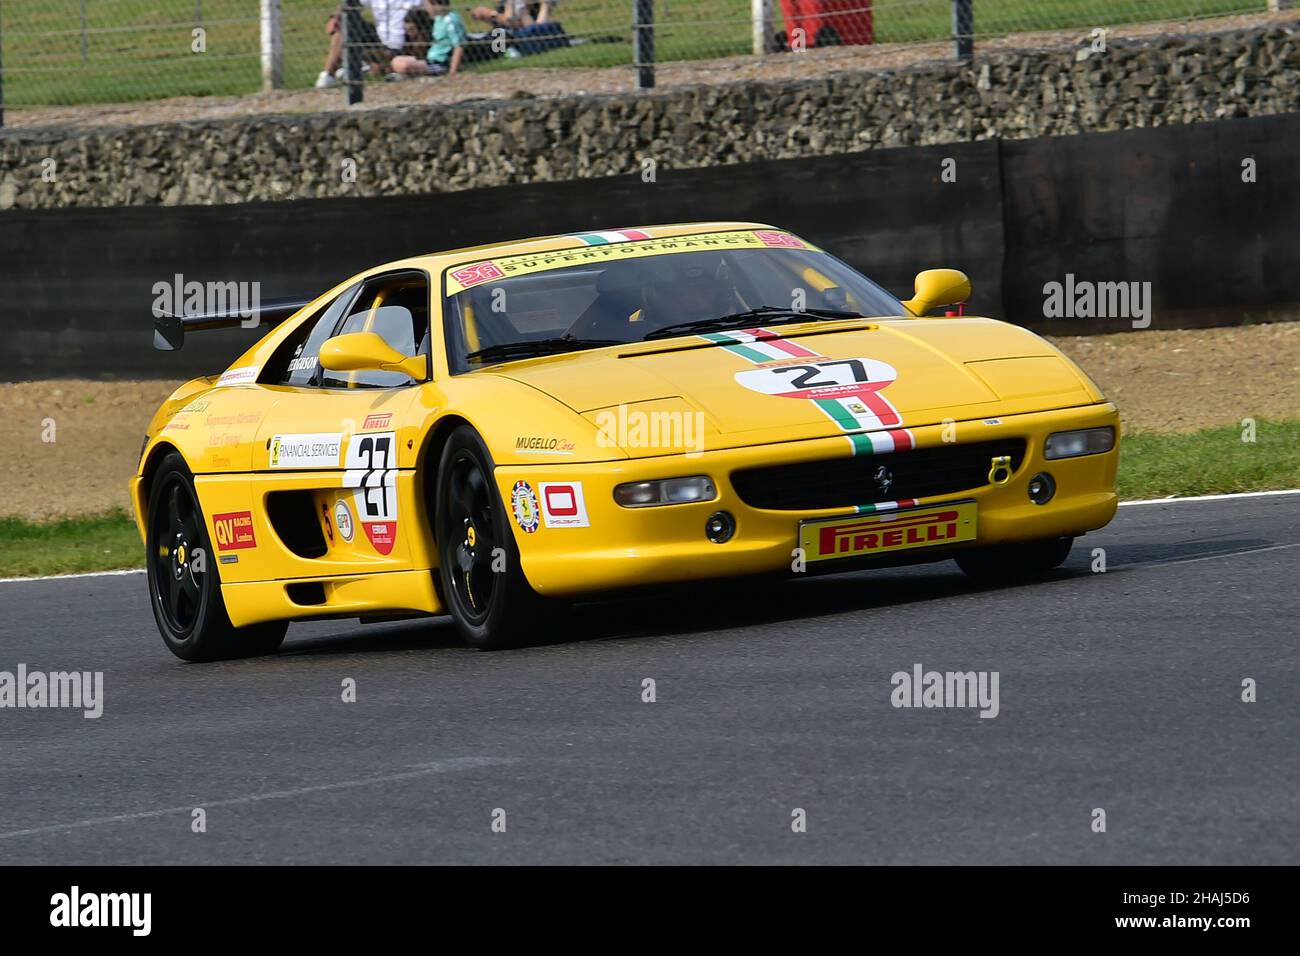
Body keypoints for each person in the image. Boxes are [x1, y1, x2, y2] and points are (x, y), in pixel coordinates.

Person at [317, 0, 423, 88]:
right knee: (344, 24)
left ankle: (361, 67)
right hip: (379, 39)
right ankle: (327, 76)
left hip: (405, 45)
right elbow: (351, 2)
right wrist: (335, 17)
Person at [388, 1, 468, 78]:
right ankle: (408, 74)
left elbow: (459, 46)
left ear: (435, 4)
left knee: (404, 65)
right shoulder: (438, 18)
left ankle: (406, 75)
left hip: (441, 64)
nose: (426, 8)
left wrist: (452, 71)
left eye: (427, 5)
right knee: (396, 61)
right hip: (430, 60)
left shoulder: (451, 20)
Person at [469, 1, 566, 57]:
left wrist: (491, 15)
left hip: (508, 38)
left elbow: (516, 23)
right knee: (479, 44)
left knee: (480, 48)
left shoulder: (521, 6)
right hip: (503, 35)